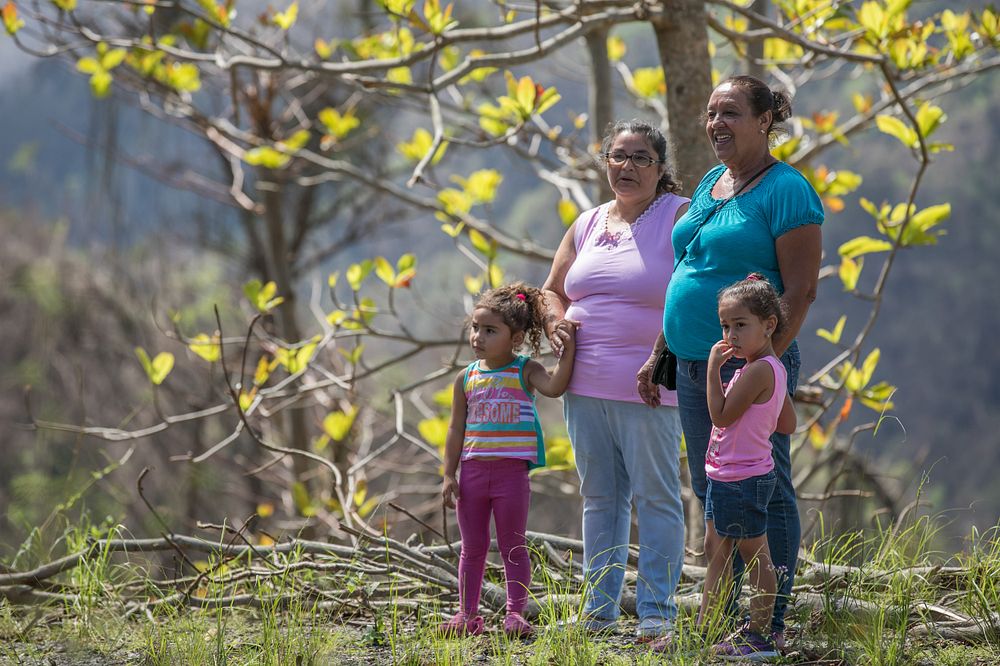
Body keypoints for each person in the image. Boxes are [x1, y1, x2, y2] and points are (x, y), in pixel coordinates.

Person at [638, 75, 823, 651]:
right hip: (697, 364)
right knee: (715, 487)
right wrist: (660, 350)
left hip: (750, 370)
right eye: (711, 113)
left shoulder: (787, 190)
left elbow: (801, 291)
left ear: (765, 119)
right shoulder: (714, 181)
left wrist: (761, 365)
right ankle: (720, 625)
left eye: (731, 113)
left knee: (767, 488)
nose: (716, 123)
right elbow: (687, 265)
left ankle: (769, 624)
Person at [541, 120, 689, 639]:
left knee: (656, 496)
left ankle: (656, 611)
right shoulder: (587, 222)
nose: (627, 167)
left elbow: (695, 291)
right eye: (618, 157)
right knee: (600, 496)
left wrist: (660, 354)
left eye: (641, 158)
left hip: (650, 383)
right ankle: (598, 611)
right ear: (605, 162)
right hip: (582, 384)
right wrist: (556, 321)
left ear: (660, 168)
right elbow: (551, 290)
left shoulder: (681, 215)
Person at [440, 282, 576, 638]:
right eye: (475, 328)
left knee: (513, 545)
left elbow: (555, 386)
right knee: (472, 548)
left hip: (511, 475)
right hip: (471, 473)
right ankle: (466, 615)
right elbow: (455, 429)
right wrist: (448, 475)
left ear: (515, 338)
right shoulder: (465, 377)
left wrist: (569, 351)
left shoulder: (524, 370)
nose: (478, 337)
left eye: (489, 330)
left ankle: (516, 614)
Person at [699, 274, 796, 661]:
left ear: (769, 325)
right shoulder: (767, 367)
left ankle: (761, 635)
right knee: (716, 550)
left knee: (754, 555)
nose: (730, 334)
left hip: (741, 478)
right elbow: (787, 423)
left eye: (741, 325)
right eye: (725, 325)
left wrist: (711, 371)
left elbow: (720, 416)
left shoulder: (757, 370)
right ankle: (706, 630)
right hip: (728, 474)